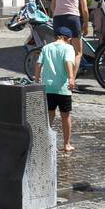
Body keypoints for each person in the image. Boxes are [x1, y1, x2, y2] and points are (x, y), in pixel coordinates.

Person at [34, 24, 77, 153]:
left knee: (49, 115)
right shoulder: (68, 48)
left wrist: (36, 80)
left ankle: (46, 143)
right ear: (67, 38)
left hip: (48, 88)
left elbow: (38, 64)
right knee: (65, 116)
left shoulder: (46, 48)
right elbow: (68, 62)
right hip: (62, 88)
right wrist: (71, 77)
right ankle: (66, 144)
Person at [48, 0, 89, 74]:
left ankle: (60, 76)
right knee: (78, 53)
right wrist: (85, 25)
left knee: (62, 50)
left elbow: (52, 6)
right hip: (73, 19)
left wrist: (56, 16)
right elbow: (84, 9)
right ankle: (71, 80)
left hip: (58, 19)